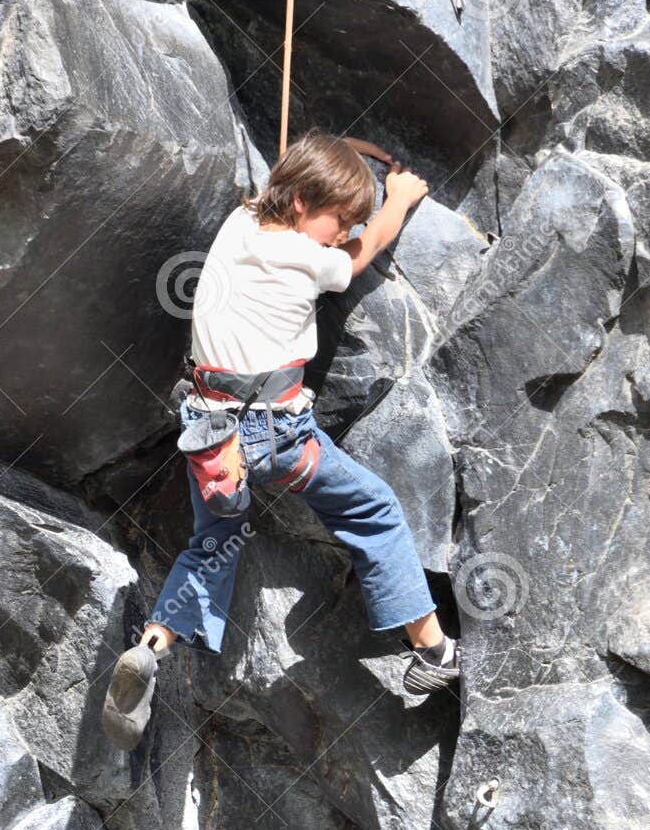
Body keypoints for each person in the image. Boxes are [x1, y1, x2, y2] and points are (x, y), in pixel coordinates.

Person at [102, 130, 460, 751]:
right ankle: (434, 650)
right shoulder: (313, 258)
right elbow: (358, 257)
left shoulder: (239, 222)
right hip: (277, 436)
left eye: (352, 218)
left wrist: (348, 152)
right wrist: (395, 199)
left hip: (209, 435)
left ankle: (151, 646)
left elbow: (297, 167)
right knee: (372, 508)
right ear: (299, 205)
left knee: (214, 541)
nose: (343, 228)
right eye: (338, 217)